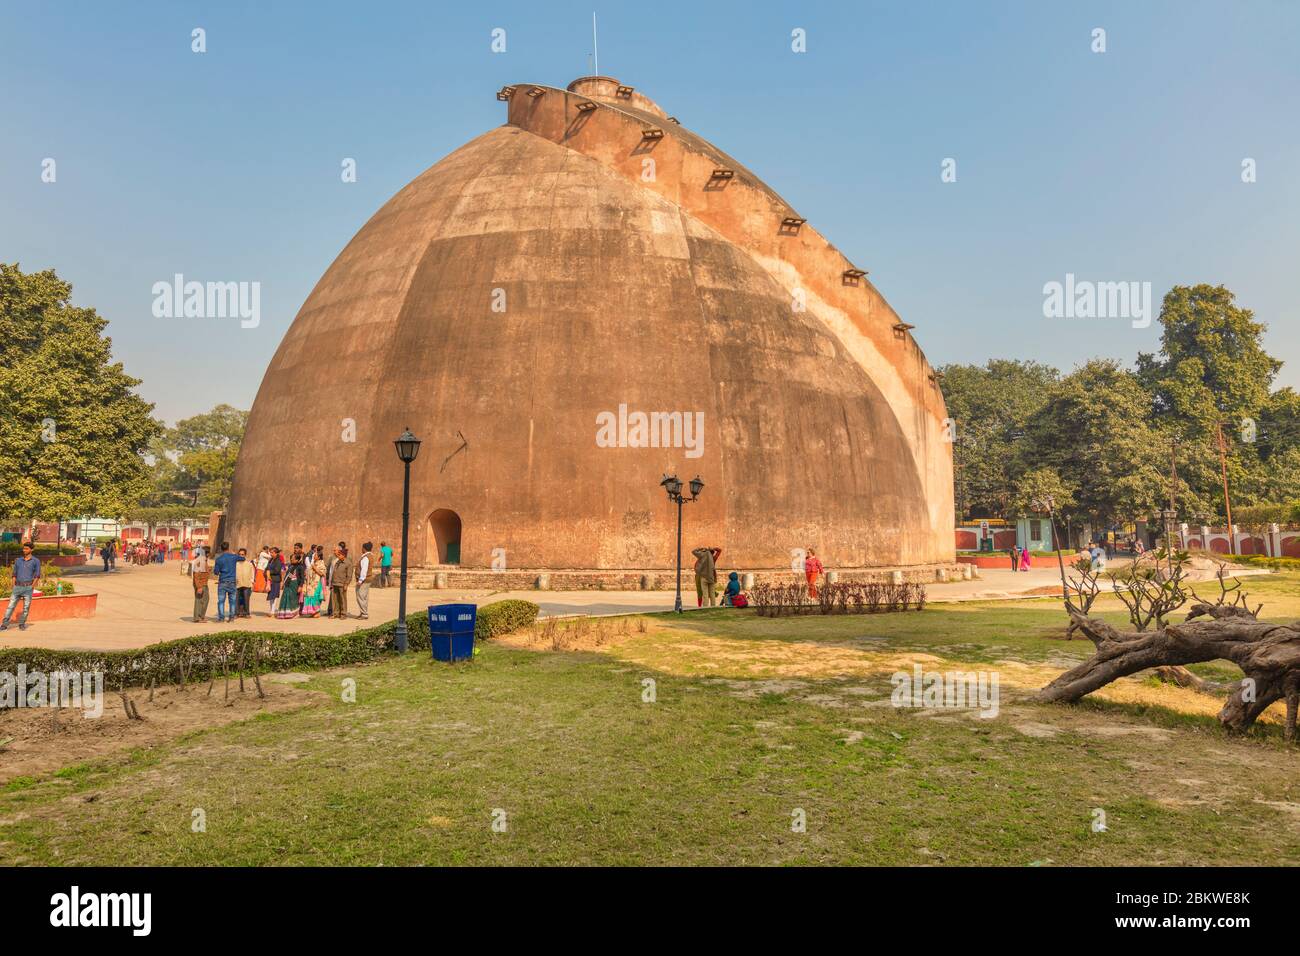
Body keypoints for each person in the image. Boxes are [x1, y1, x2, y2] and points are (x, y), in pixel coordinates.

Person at [1, 542, 41, 631]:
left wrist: (32, 586)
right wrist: (13, 585)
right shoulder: (18, 560)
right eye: (24, 548)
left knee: (26, 608)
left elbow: (37, 575)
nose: (24, 550)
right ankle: (4, 625)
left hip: (28, 587)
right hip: (17, 587)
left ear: (31, 550)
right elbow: (14, 574)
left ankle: (22, 624)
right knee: (10, 607)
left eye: (26, 549)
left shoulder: (36, 561)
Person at [212, 541, 244, 623]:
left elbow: (216, 572)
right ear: (228, 548)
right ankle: (231, 618)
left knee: (221, 601)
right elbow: (243, 558)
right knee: (232, 601)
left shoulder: (219, 559)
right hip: (232, 581)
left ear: (221, 548)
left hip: (223, 581)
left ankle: (221, 618)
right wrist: (235, 554)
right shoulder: (233, 557)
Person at [276, 551, 305, 619]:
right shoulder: (291, 566)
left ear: (297, 560)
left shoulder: (300, 567)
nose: (291, 560)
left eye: (293, 559)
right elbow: (287, 575)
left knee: (293, 599)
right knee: (285, 597)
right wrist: (283, 582)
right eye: (291, 559)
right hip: (288, 584)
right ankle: (285, 613)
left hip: (295, 585)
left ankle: (294, 613)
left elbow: (302, 578)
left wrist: (300, 586)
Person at [328, 544, 354, 619]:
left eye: (340, 555)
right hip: (335, 583)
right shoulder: (337, 562)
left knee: (342, 600)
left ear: (343, 555)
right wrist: (331, 583)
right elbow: (333, 572)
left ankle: (343, 614)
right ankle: (335, 613)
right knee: (335, 600)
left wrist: (346, 584)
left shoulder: (348, 563)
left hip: (342, 584)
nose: (338, 556)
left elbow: (349, 575)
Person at [302, 546, 326, 618]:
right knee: (310, 596)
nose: (314, 556)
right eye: (313, 555)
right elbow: (309, 570)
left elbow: (322, 573)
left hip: (317, 583)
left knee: (316, 597)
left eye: (315, 555)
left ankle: (317, 612)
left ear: (319, 557)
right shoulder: (313, 563)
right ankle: (312, 611)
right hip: (311, 583)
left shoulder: (321, 563)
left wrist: (314, 568)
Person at [355, 542, 374, 620]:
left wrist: (360, 580)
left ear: (364, 548)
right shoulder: (370, 556)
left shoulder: (366, 557)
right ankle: (363, 612)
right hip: (367, 579)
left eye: (362, 548)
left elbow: (364, 570)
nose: (361, 549)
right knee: (364, 597)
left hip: (364, 580)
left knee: (360, 596)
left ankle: (364, 614)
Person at [235, 547, 254, 618]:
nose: (241, 556)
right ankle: (236, 613)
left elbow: (252, 573)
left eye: (242, 554)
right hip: (237, 583)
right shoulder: (235, 564)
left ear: (245, 555)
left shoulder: (249, 564)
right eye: (240, 554)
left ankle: (247, 613)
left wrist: (252, 582)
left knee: (246, 599)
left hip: (247, 584)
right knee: (236, 599)